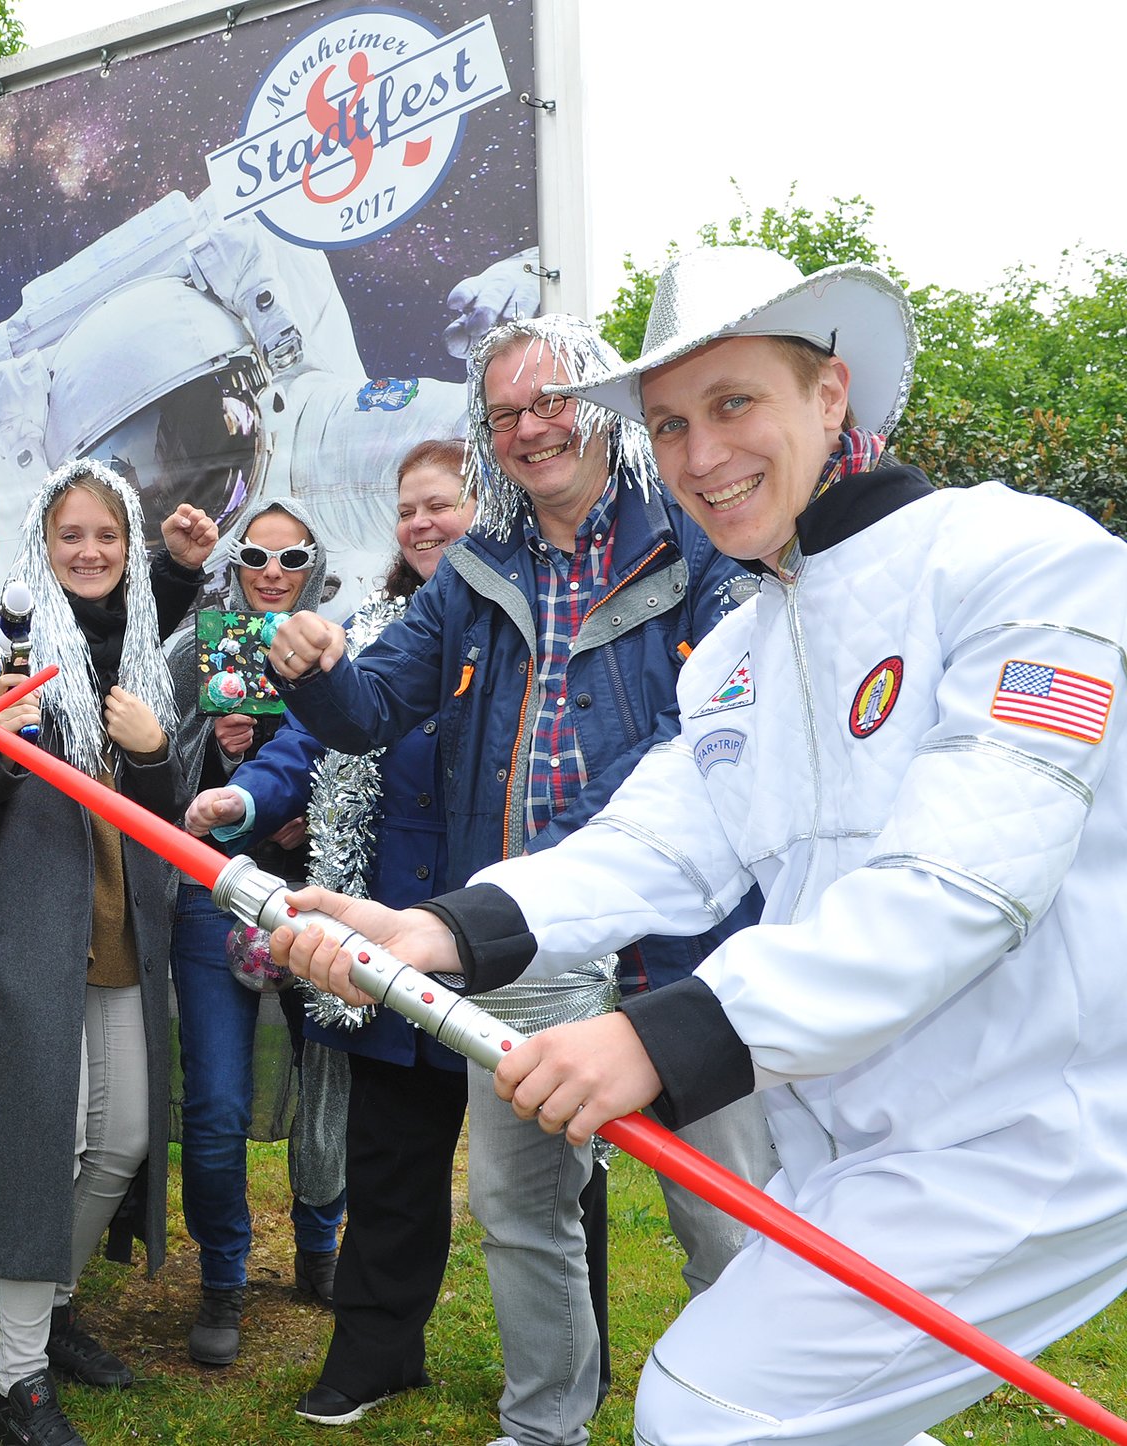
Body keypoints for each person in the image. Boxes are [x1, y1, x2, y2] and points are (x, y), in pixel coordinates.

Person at [277, 244, 1127, 1446]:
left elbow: (958, 886)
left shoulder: (1022, 561)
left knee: (703, 1408)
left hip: (1030, 1138)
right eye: (670, 423)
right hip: (840, 1144)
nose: (700, 456)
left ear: (828, 395)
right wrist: (435, 930)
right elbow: (651, 843)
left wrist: (661, 1034)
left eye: (734, 404)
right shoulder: (738, 649)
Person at [264, 315, 773, 1445]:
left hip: (678, 949)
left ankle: (763, 1418)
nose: (531, 429)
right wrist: (312, 671)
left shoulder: (692, 544)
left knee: (722, 1217)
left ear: (601, 408)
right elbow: (371, 709)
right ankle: (546, 1426)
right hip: (518, 941)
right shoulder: (477, 571)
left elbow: (728, 757)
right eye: (504, 414)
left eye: (550, 402)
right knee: (516, 1210)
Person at [185, 434, 489, 1410]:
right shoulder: (378, 629)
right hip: (381, 928)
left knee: (541, 1176)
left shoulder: (539, 621)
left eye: (441, 502)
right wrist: (245, 801)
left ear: (490, 508)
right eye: (407, 509)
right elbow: (323, 730)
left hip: (510, 932)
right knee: (389, 1157)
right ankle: (369, 1353)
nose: (422, 523)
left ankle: (565, 1371)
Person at [0, 458, 189, 1446]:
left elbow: (170, 814)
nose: (88, 552)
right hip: (24, 924)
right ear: (45, 541)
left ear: (129, 547)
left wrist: (154, 751)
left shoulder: (151, 645)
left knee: (116, 1141)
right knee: (46, 1140)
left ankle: (49, 1303)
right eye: (70, 535)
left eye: (106, 536)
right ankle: (16, 1377)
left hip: (119, 921)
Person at [161, 496, 345, 1367]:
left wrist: (320, 816)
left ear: (318, 567)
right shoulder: (191, 648)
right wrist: (217, 758)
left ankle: (321, 1244)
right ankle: (223, 1275)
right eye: (257, 558)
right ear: (232, 567)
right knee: (218, 1099)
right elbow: (149, 773)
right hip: (213, 898)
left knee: (329, 1081)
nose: (274, 573)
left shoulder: (345, 652)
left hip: (325, 900)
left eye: (293, 556)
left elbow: (371, 762)